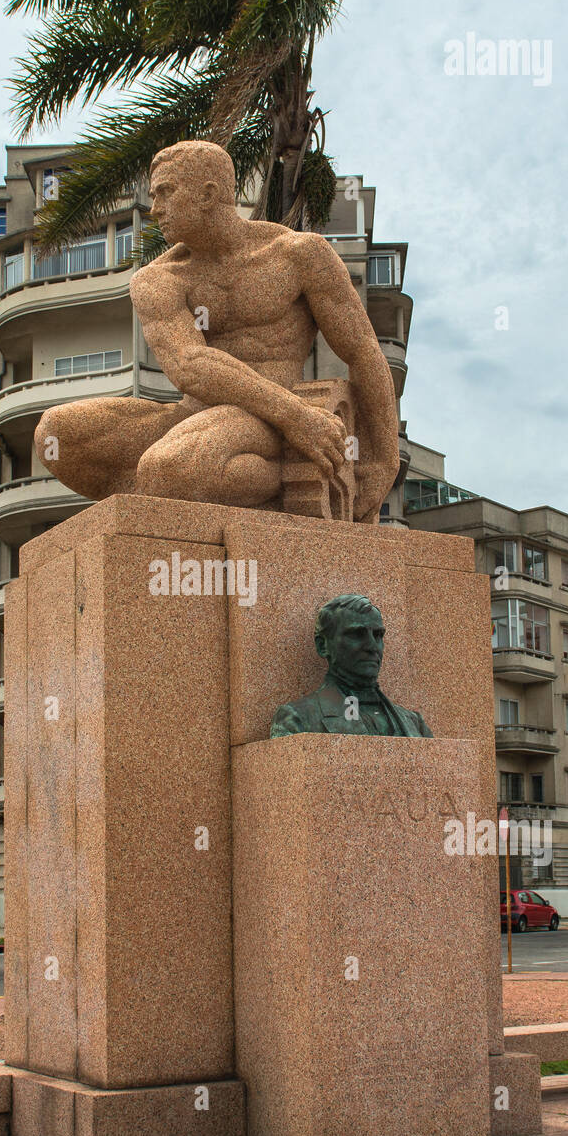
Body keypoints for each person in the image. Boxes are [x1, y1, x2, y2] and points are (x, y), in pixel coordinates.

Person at [34, 139, 399, 523]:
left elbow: (361, 350)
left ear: (207, 194)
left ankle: (204, 483)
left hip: (272, 423)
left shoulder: (297, 254)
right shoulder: (158, 279)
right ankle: (250, 483)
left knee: (168, 468)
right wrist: (298, 417)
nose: (155, 209)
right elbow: (190, 365)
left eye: (165, 193)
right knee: (56, 436)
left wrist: (383, 461)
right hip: (223, 416)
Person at [271, 593, 433, 738]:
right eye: (356, 634)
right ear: (323, 645)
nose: (372, 647)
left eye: (377, 635)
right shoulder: (298, 718)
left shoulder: (414, 724)